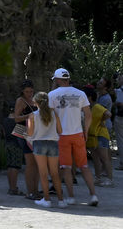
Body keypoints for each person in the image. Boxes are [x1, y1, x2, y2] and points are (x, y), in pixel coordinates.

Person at [48, 67, 98, 206]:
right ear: (68, 79)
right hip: (78, 134)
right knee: (84, 166)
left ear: (57, 80)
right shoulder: (81, 94)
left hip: (62, 135)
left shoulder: (52, 95)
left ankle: (71, 197)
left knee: (66, 167)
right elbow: (88, 115)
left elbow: (50, 117)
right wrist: (86, 131)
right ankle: (93, 195)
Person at [27, 91, 64, 208]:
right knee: (55, 174)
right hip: (53, 143)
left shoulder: (33, 115)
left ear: (36, 102)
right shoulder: (54, 114)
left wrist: (25, 134)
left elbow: (30, 133)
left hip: (39, 144)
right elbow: (60, 131)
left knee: (43, 174)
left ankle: (47, 199)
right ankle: (61, 200)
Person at [7, 79, 39, 198]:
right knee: (27, 162)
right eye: (27, 92)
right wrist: (30, 116)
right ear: (22, 91)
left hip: (34, 132)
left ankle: (35, 190)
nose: (29, 94)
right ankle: (28, 190)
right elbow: (16, 118)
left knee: (35, 163)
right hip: (22, 131)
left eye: (31, 91)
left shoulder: (34, 100)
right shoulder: (20, 101)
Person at [84, 86, 113, 186]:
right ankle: (97, 177)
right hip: (92, 136)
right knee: (95, 158)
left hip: (100, 135)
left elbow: (108, 114)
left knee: (104, 158)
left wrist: (102, 120)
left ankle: (110, 179)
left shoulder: (97, 107)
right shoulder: (88, 108)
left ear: (90, 97)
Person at [115, 72, 123, 171]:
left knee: (120, 141)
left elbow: (120, 104)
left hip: (120, 117)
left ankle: (122, 163)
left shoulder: (120, 90)